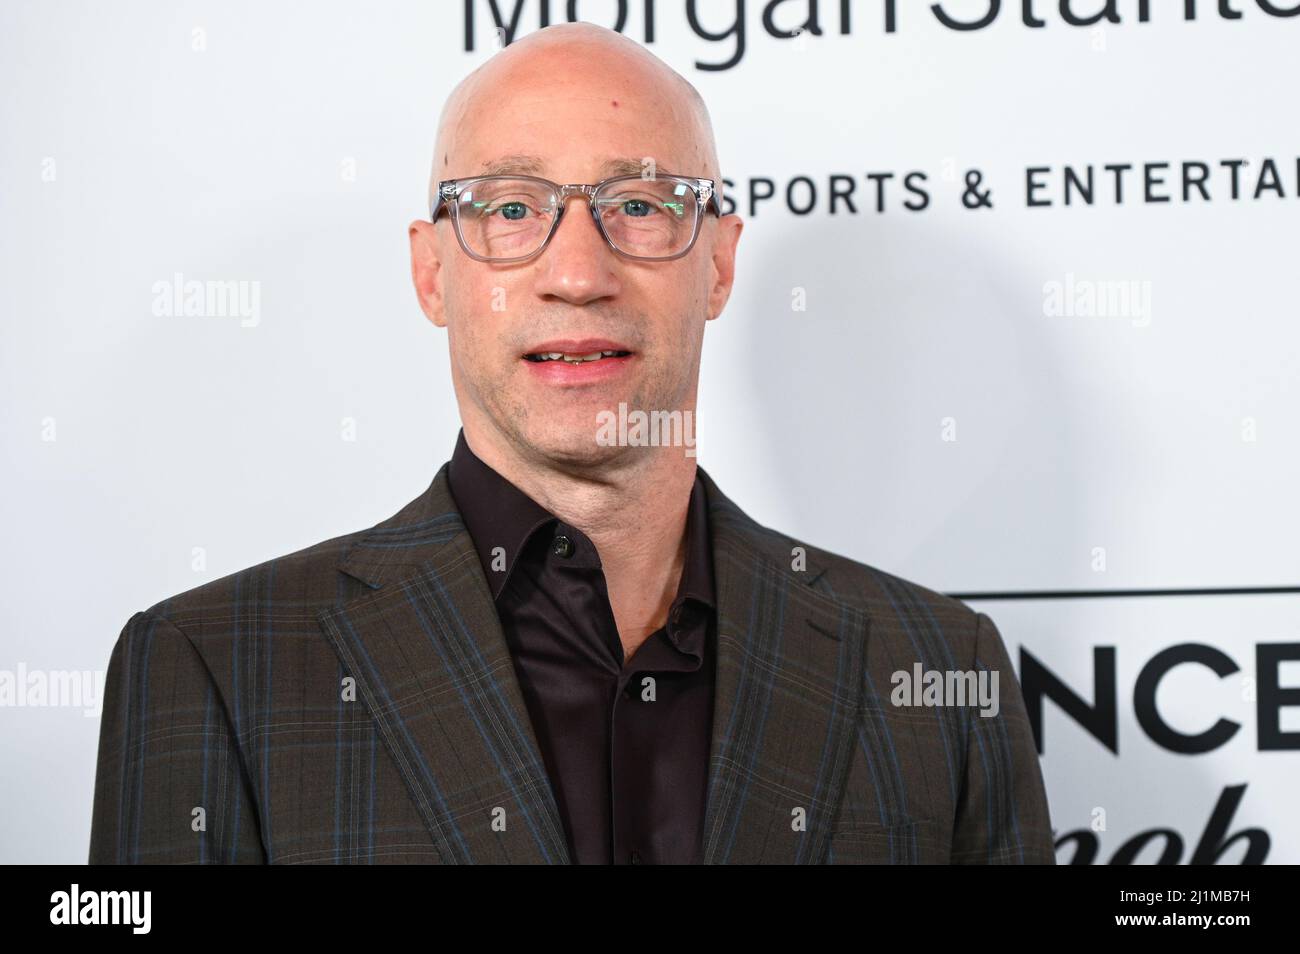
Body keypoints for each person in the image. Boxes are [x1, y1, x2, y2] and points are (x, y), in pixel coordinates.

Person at [89, 22, 1054, 864]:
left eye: (640, 205)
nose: (580, 273)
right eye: (511, 209)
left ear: (718, 262)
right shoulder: (214, 666)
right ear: (432, 274)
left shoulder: (933, 669)